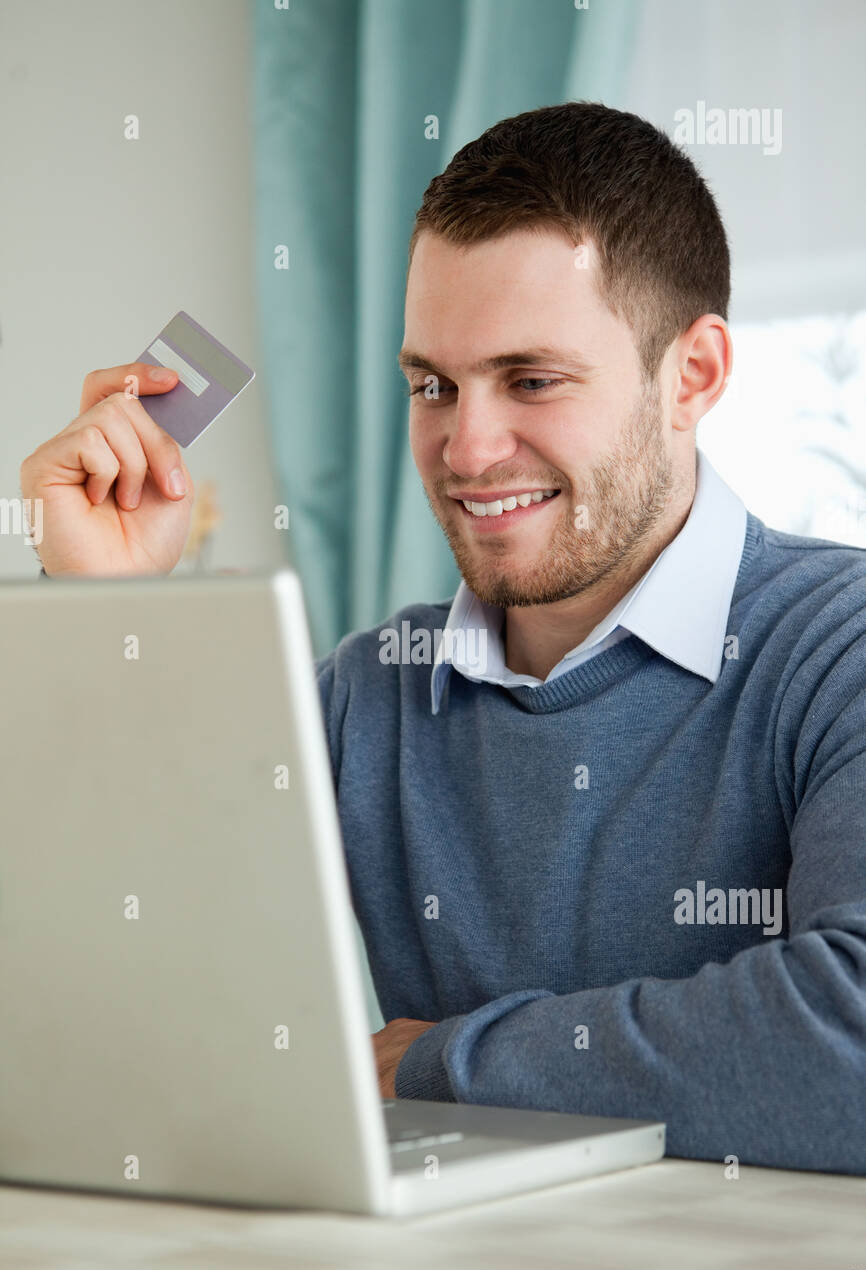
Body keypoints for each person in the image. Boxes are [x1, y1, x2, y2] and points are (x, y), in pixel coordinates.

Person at [23, 103, 866, 1173]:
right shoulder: (363, 696)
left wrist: (445, 1064)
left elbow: (849, 1044)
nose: (464, 448)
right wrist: (103, 617)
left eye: (530, 380)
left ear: (689, 376)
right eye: (431, 384)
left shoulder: (836, 649)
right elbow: (100, 986)